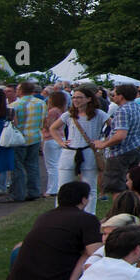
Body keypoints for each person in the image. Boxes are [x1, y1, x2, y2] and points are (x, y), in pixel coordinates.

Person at [6, 181, 104, 280]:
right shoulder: (87, 219)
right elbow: (95, 253)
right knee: (87, 253)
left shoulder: (45, 216)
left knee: (21, 245)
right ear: (83, 200)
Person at [49, 86, 109, 214]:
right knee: (63, 186)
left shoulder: (99, 114)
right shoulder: (69, 115)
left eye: (79, 97)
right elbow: (53, 128)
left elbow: (113, 126)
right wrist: (60, 142)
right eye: (74, 97)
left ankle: (89, 214)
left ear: (88, 99)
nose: (76, 100)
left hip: (88, 152)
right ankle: (60, 214)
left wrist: (104, 142)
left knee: (90, 187)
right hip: (70, 152)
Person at [93, 83, 140, 198]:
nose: (113, 97)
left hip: (120, 152)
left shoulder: (122, 111)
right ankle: (131, 207)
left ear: (121, 96)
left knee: (117, 186)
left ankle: (120, 211)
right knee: (131, 183)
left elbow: (120, 135)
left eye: (114, 94)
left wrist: (103, 144)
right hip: (136, 150)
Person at [8, 81, 47, 202]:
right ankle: (34, 191)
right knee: (32, 165)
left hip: (19, 138)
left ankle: (18, 194)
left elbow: (12, 123)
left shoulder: (14, 105)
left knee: (17, 167)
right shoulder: (41, 103)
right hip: (35, 136)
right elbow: (44, 120)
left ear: (20, 91)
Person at [42, 90, 68, 197]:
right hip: (60, 137)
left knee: (51, 165)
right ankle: (59, 186)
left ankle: (52, 189)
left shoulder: (52, 111)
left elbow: (49, 125)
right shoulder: (63, 112)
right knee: (58, 164)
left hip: (50, 138)